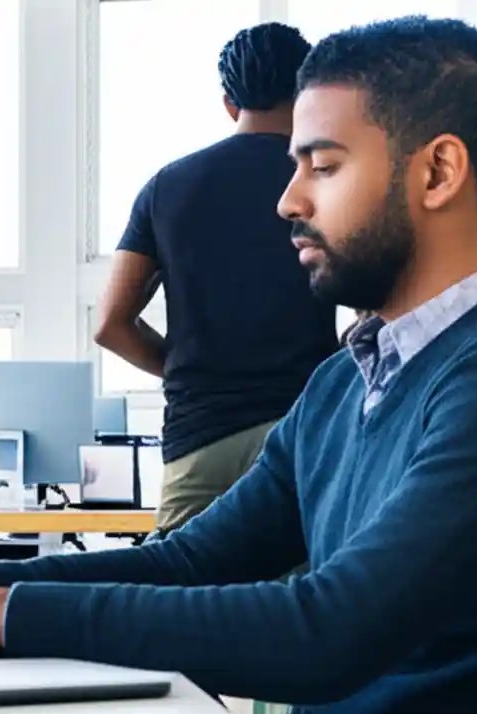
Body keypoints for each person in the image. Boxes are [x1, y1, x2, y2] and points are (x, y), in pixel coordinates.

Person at [0, 17, 477, 714]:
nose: (287, 200)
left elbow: (331, 630)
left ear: (439, 173)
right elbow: (192, 560)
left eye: (323, 165)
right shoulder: (343, 383)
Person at [95, 22, 338, 534]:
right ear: (307, 92)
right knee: (300, 600)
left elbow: (110, 324)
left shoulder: (167, 187)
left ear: (230, 103)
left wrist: (187, 371)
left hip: (199, 434)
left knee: (177, 593)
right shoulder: (331, 181)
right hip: (306, 428)